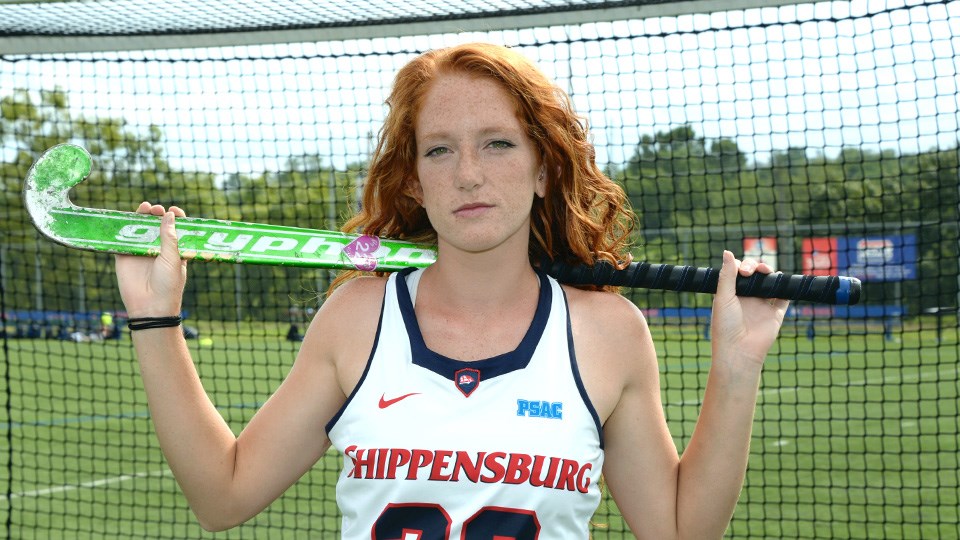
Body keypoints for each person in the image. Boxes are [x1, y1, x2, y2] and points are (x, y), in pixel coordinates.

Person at [115, 42, 788, 539]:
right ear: (414, 180)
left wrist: (737, 365)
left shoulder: (608, 333)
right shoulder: (358, 316)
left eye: (497, 144)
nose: (467, 174)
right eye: (439, 150)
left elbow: (679, 530)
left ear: (544, 169)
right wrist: (155, 318)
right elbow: (222, 495)